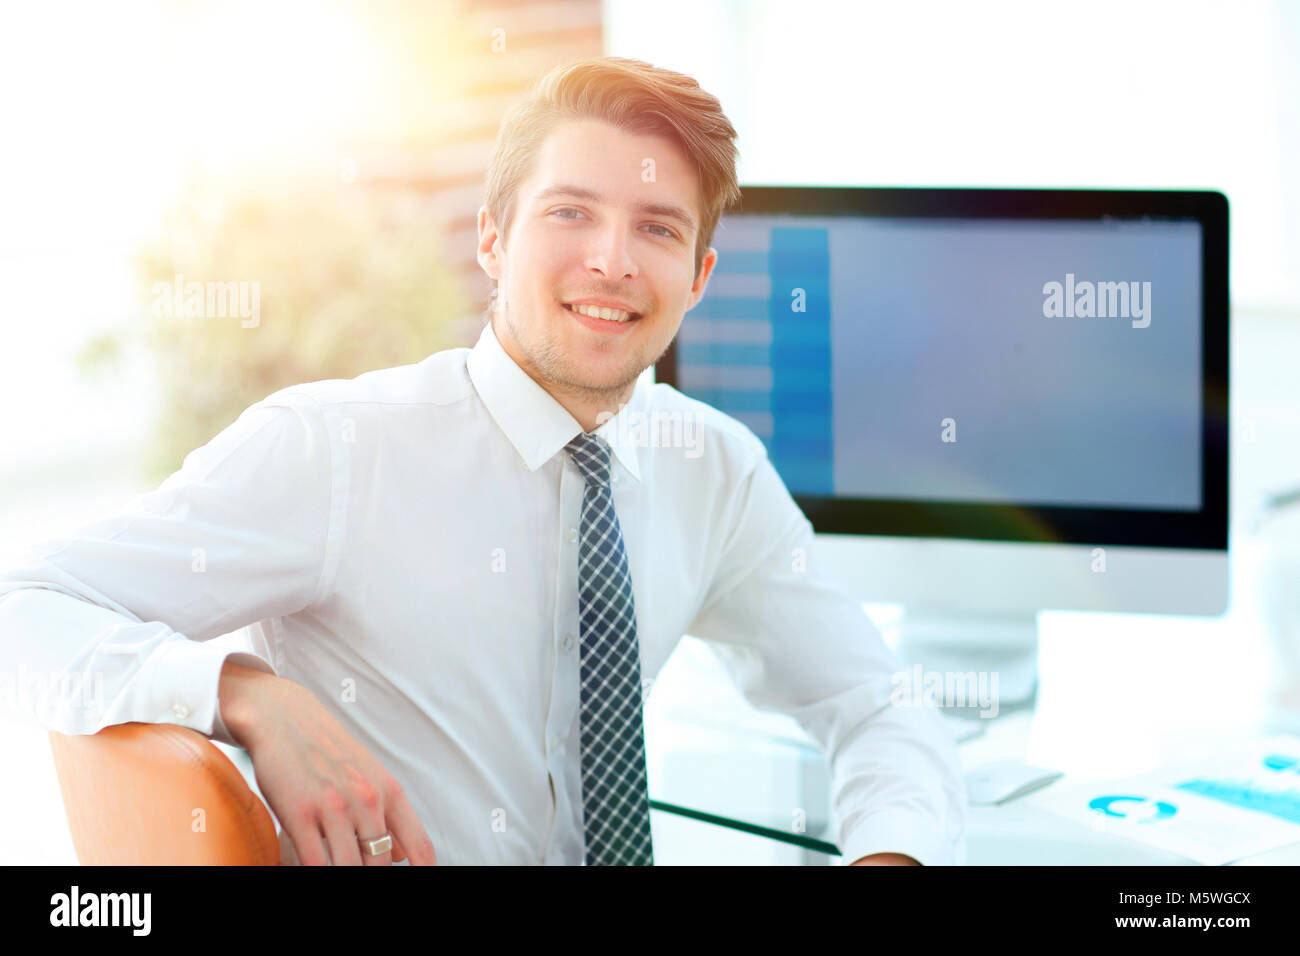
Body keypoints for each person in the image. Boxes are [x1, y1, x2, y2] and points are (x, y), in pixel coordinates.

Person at [0, 56, 965, 866]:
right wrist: (245, 694)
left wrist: (890, 856)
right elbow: (26, 609)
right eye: (570, 213)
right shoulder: (339, 450)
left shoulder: (712, 467)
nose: (613, 262)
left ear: (701, 277)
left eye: (658, 228)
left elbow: (876, 703)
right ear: (494, 239)